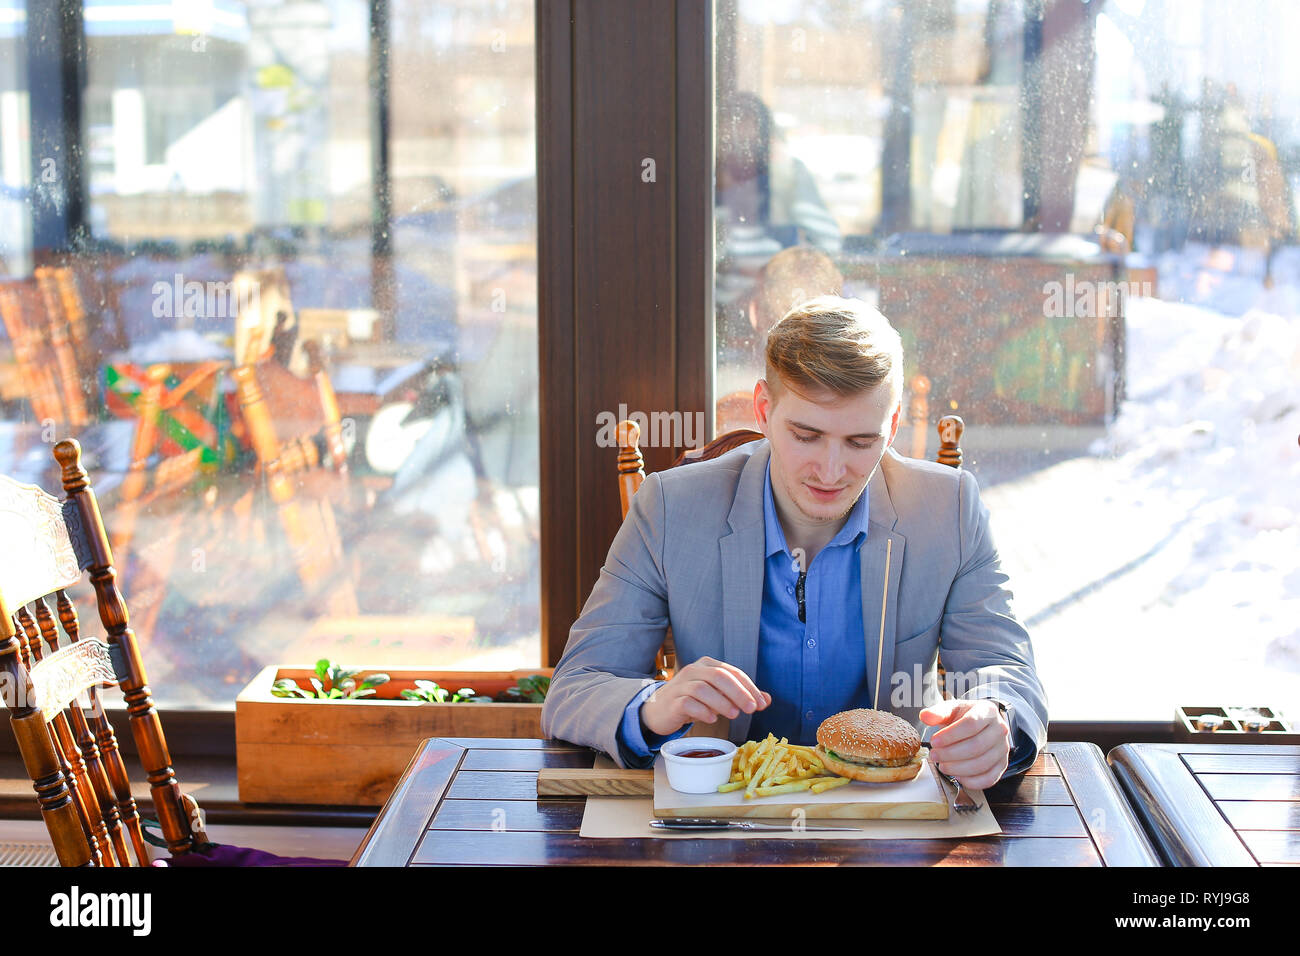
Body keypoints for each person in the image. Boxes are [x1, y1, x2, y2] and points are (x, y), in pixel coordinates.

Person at [541, 297, 1048, 790]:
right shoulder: (671, 507)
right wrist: (654, 705)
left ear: (892, 427)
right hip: (726, 812)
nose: (831, 472)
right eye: (806, 435)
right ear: (763, 409)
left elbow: (1007, 669)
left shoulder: (950, 508)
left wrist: (994, 716)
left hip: (888, 815)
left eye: (860, 442)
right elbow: (574, 688)